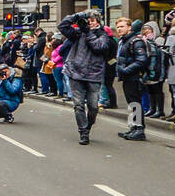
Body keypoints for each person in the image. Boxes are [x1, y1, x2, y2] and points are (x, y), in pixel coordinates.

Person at [57, 9, 115, 145]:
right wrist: (77, 16)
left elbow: (99, 47)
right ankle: (83, 132)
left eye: (93, 20)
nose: (89, 23)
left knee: (93, 106)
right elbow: (62, 26)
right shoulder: (78, 33)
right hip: (75, 73)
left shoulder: (104, 35)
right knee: (78, 105)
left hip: (93, 75)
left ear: (98, 22)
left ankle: (88, 126)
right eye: (88, 21)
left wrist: (88, 32)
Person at [114, 17, 149, 142]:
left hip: (134, 77)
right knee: (132, 103)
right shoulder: (123, 41)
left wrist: (125, 70)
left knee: (135, 103)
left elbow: (141, 60)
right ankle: (134, 127)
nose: (119, 29)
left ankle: (139, 129)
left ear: (129, 27)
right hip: (128, 78)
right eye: (118, 27)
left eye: (122, 26)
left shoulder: (135, 41)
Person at [141, 21, 167, 119]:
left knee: (157, 90)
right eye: (145, 29)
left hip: (157, 69)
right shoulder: (144, 40)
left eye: (149, 29)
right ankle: (152, 108)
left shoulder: (159, 40)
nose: (146, 31)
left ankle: (160, 110)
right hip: (148, 70)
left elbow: (159, 56)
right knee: (150, 90)